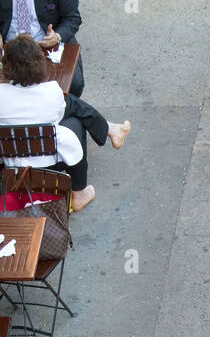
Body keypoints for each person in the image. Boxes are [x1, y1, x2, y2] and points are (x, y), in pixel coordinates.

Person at [0, 34, 130, 212]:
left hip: (13, 169)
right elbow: (60, 113)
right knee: (75, 121)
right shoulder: (52, 91)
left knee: (71, 107)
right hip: (51, 168)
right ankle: (79, 193)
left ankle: (110, 128)